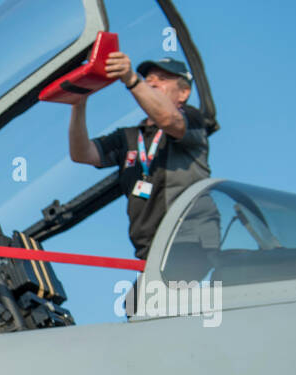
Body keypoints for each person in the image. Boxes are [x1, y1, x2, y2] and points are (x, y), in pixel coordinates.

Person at [68, 53, 213, 266]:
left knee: (141, 300)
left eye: (162, 79)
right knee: (136, 301)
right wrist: (78, 104)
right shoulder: (129, 137)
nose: (152, 82)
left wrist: (131, 79)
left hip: (188, 241)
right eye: (148, 79)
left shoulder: (192, 119)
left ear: (183, 93)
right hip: (151, 251)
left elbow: (168, 118)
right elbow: (81, 154)